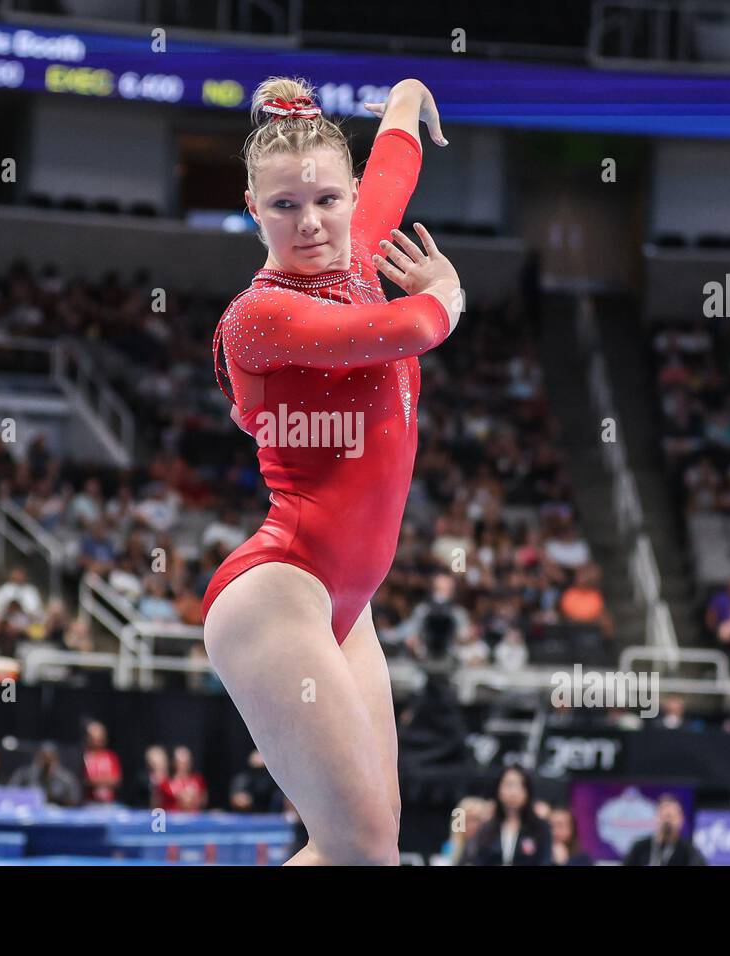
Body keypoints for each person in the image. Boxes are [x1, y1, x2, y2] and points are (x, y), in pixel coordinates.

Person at [200, 74, 458, 867]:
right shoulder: (260, 316)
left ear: (347, 195)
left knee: (364, 854)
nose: (309, 223)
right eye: (283, 207)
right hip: (281, 591)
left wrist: (410, 97)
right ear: (252, 208)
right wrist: (444, 291)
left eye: (326, 201)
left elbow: (393, 168)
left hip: (351, 604)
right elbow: (404, 327)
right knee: (364, 849)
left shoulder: (352, 252)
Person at [461, 766, 552, 866]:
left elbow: (544, 861)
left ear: (528, 791)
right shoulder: (486, 828)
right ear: (498, 788)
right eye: (509, 785)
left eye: (520, 786)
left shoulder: (540, 828)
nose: (513, 792)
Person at [623, 794, 705, 866]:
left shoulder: (689, 852)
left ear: (681, 820)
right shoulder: (639, 848)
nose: (668, 821)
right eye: (664, 816)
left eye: (672, 817)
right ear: (656, 817)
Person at [7, 743, 82, 807]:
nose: (46, 764)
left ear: (56, 760)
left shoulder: (66, 778)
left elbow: (74, 799)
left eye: (50, 760)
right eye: (43, 758)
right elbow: (11, 792)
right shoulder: (25, 774)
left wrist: (56, 799)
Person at [81, 720, 122, 804]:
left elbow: (117, 780)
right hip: (90, 804)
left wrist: (97, 780)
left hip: (110, 803)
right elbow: (85, 780)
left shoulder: (111, 756)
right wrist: (105, 780)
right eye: (94, 738)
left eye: (100, 738)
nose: (97, 741)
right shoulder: (84, 756)